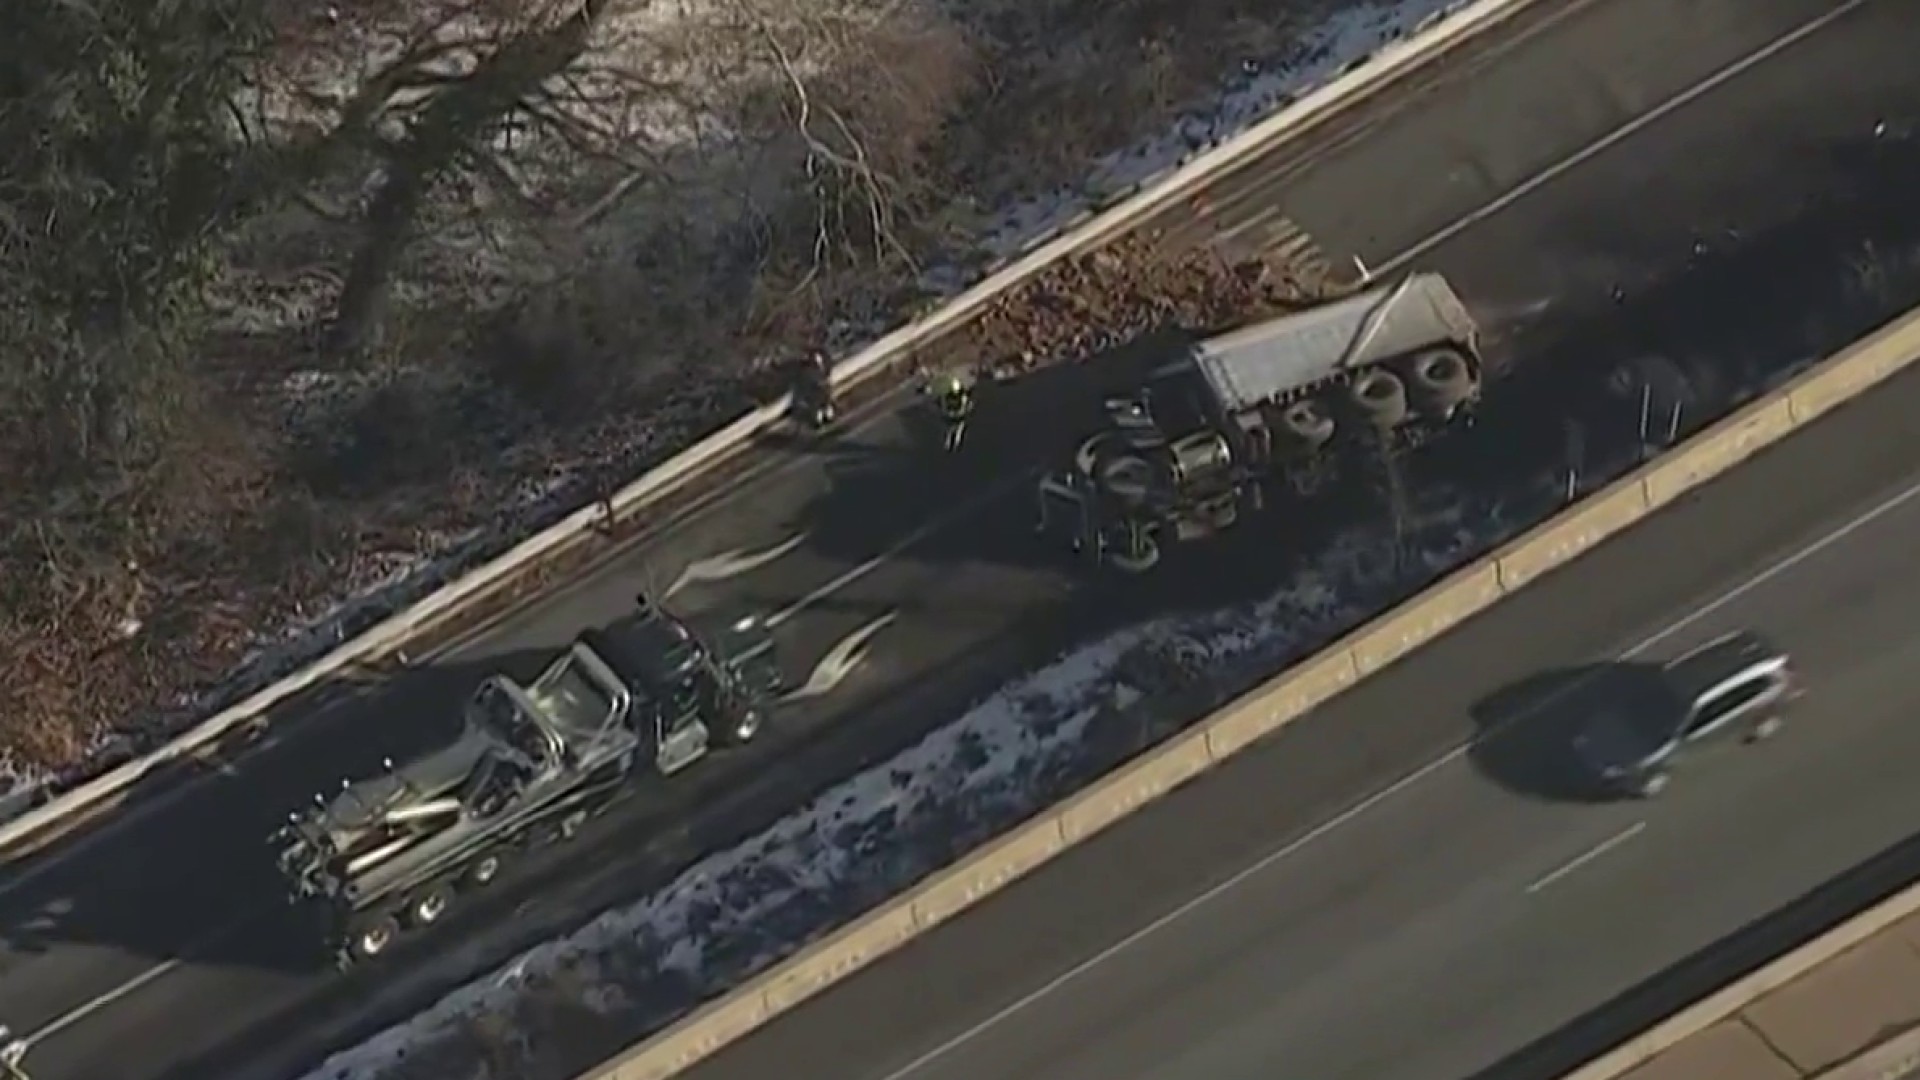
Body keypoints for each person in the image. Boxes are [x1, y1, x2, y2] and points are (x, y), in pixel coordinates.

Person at [925, 371, 974, 451]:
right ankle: (955, 441)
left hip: (950, 415)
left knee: (951, 429)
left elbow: (940, 403)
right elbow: (968, 405)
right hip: (957, 415)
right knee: (959, 428)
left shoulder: (947, 397)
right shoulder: (962, 397)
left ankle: (949, 442)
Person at [790, 349, 835, 428]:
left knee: (822, 404)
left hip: (819, 388)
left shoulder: (811, 370)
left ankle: (823, 419)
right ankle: (824, 418)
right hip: (820, 388)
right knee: (822, 404)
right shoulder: (815, 369)